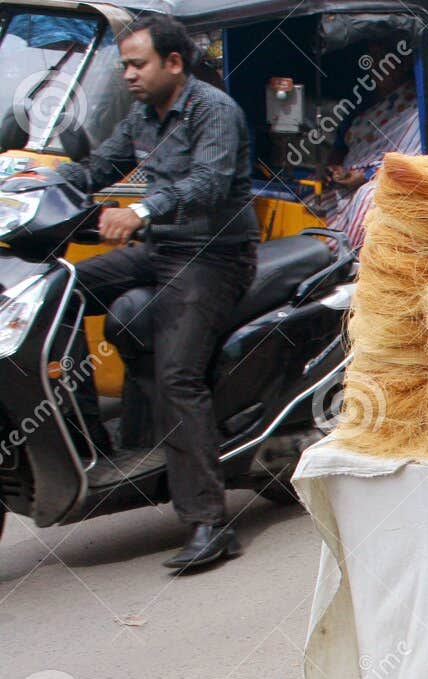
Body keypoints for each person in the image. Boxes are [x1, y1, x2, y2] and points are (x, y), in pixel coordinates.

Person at [54, 13, 256, 573]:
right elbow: (97, 166)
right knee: (61, 288)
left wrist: (140, 210)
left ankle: (209, 523)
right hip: (161, 250)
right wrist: (32, 182)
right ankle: (89, 438)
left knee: (177, 375)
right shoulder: (143, 114)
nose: (127, 75)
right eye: (123, 65)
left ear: (174, 62)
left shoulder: (213, 110)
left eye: (137, 64)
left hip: (213, 255)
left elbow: (209, 184)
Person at [308, 42, 420, 250]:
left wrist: (366, 176)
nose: (375, 66)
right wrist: (332, 168)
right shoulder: (362, 102)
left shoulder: (417, 105)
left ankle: (348, 259)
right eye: (372, 57)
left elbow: (416, 160)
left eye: (381, 57)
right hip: (344, 183)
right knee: (308, 198)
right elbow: (341, 145)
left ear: (403, 64)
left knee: (366, 198)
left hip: (386, 182)